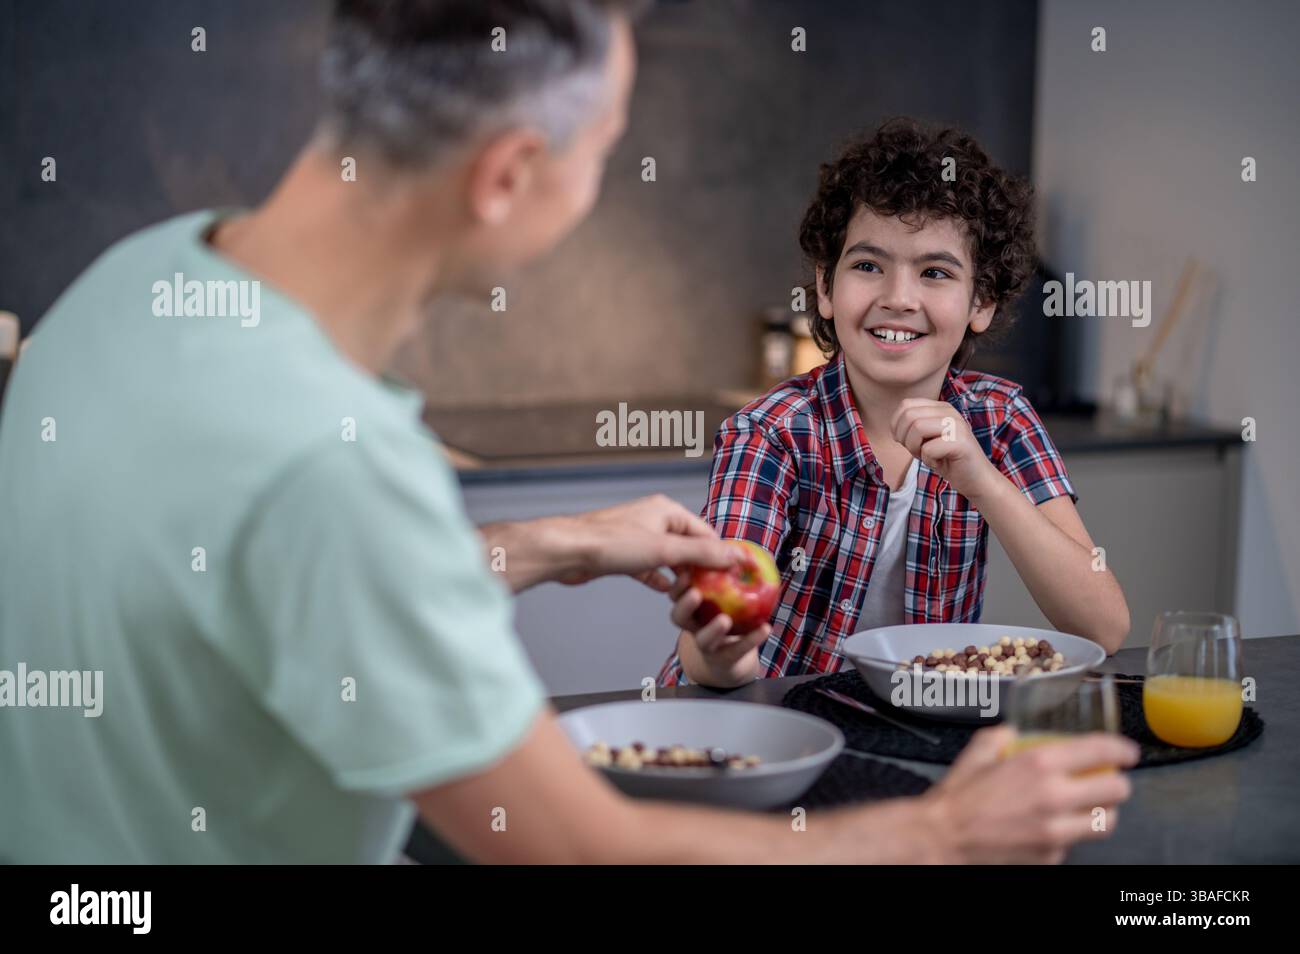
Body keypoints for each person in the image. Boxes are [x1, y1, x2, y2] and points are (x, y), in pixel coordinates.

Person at [0, 1, 1136, 864]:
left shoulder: (134, 282)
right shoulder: (332, 463)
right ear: (508, 175)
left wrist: (562, 544)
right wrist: (934, 833)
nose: (604, 182)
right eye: (603, 146)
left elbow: (276, 580)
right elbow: (580, 846)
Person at [660, 119, 1131, 689]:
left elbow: (1103, 626)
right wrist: (726, 651)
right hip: (760, 721)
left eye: (935, 272)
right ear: (827, 289)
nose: (898, 298)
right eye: (867, 266)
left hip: (909, 731)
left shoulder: (999, 418)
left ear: (981, 302)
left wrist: (982, 481)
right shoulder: (771, 433)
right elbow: (708, 648)